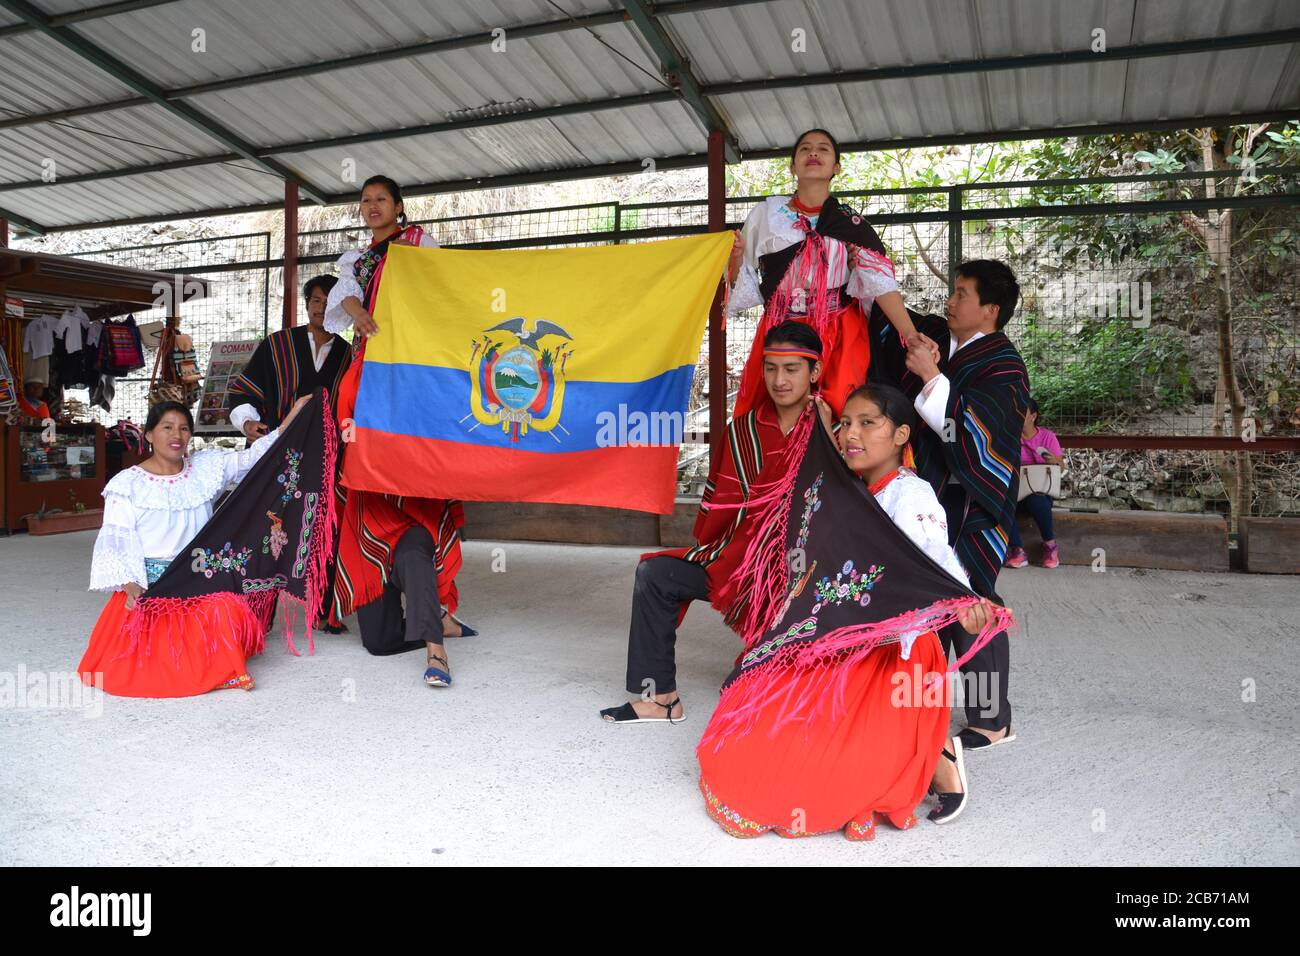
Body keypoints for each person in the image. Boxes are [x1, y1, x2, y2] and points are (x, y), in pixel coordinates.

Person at [697, 384, 994, 838]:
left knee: (815, 774)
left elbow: (935, 558)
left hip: (894, 657)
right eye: (845, 424)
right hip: (843, 640)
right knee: (761, 730)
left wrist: (965, 598)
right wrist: (821, 422)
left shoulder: (910, 496)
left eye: (867, 423)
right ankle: (927, 747)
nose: (851, 434)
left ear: (900, 436)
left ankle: (934, 752)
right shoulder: (852, 486)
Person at [600, 320, 824, 724]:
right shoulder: (742, 431)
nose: (779, 379)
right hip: (738, 562)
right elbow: (719, 510)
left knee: (746, 696)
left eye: (792, 369)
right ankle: (661, 697)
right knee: (656, 574)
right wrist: (735, 556)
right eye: (771, 368)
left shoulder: (837, 431)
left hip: (809, 576)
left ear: (815, 372)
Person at [869, 259, 1030, 751]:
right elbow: (889, 318)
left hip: (973, 504)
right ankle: (915, 699)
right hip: (925, 494)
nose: (950, 300)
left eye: (962, 294)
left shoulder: (1004, 366)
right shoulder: (940, 335)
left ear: (990, 310)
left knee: (973, 599)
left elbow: (977, 436)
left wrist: (933, 377)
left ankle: (992, 719)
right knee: (924, 595)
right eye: (953, 290)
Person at [322, 174, 472, 685]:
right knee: (380, 644)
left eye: (381, 199)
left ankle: (436, 633)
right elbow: (344, 305)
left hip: (411, 366)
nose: (372, 206)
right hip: (371, 369)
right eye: (365, 200)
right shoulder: (355, 261)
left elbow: (444, 295)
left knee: (416, 487)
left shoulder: (421, 245)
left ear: (399, 207)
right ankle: (428, 615)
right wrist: (360, 310)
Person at [79, 396, 311, 697]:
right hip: (153, 584)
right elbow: (116, 540)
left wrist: (291, 418)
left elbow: (256, 457)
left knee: (225, 609)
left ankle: (220, 670)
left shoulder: (204, 468)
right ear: (149, 434)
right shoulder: (127, 484)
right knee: (146, 658)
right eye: (167, 427)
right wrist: (129, 583)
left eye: (184, 429)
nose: (177, 436)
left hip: (198, 578)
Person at [726, 128, 920, 419]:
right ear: (793, 167)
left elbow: (879, 280)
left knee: (842, 409)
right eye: (804, 149)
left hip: (839, 331)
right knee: (771, 412)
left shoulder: (849, 223)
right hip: (781, 330)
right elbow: (743, 280)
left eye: (823, 149)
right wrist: (736, 258)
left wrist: (911, 334)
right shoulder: (766, 215)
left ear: (836, 168)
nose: (813, 153)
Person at [229, 274, 354, 631]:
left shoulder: (349, 356)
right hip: (278, 456)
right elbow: (243, 393)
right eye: (315, 300)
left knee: (323, 530)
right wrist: (249, 425)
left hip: (327, 461)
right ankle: (257, 614)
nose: (321, 308)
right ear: (307, 305)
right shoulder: (277, 345)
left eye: (330, 302)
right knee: (267, 530)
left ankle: (323, 611)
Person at [1006, 397, 1064, 569]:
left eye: (1022, 412)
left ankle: (1050, 546)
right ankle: (1017, 550)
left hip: (1040, 492)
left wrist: (1053, 460)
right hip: (1015, 493)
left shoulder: (1048, 437)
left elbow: (1061, 466)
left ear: (1033, 416)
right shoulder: (1010, 437)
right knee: (1000, 504)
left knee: (1037, 500)